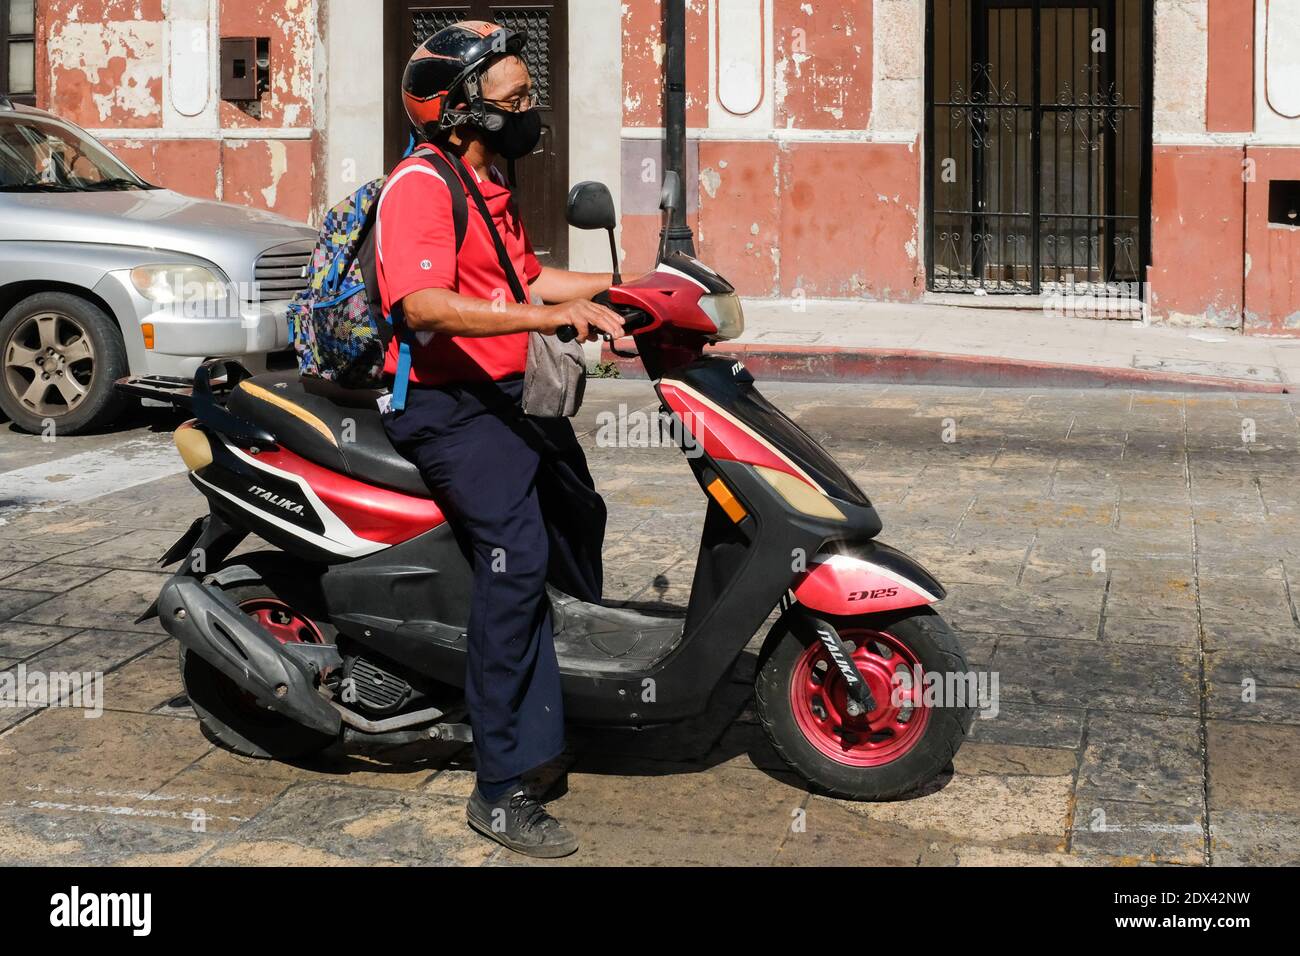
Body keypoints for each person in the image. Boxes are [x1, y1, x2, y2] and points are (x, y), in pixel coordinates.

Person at [374, 20, 624, 859]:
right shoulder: (421, 186)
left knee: (569, 517)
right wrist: (549, 315)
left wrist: (635, 289)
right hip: (444, 405)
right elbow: (423, 306)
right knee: (515, 553)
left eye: (528, 95)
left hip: (499, 394)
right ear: (457, 111)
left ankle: (547, 728)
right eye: (512, 98)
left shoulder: (485, 184)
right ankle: (500, 785)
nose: (528, 110)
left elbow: (527, 278)